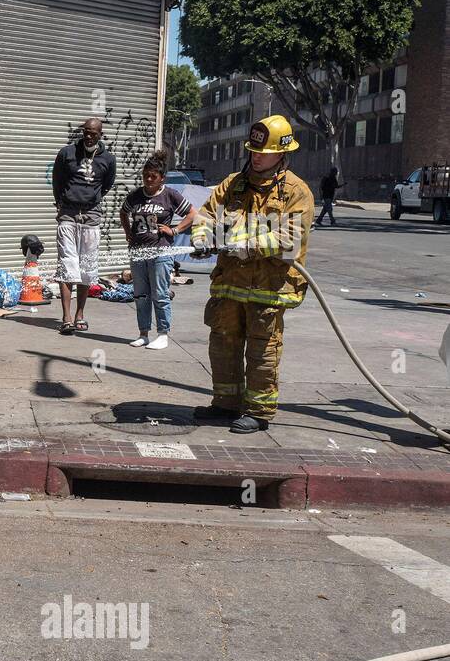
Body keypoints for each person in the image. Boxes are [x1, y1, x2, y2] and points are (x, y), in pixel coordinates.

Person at [190, 115, 313, 434]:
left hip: (268, 289)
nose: (255, 156)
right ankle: (225, 404)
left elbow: (290, 238)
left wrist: (246, 245)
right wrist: (202, 237)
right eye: (253, 150)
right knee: (222, 344)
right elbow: (205, 214)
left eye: (263, 152)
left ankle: (259, 412)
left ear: (282, 153)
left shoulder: (296, 192)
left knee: (263, 349)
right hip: (229, 285)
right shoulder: (233, 184)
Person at [120, 149, 193, 350]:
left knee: (159, 293)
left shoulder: (170, 195)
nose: (149, 179)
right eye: (146, 175)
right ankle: (143, 333)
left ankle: (162, 334)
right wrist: (128, 233)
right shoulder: (135, 196)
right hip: (138, 252)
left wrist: (174, 230)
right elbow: (123, 212)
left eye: (153, 176)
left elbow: (191, 214)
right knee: (141, 294)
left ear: (162, 178)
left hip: (160, 251)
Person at [51, 118, 116, 336]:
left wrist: (91, 198)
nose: (89, 136)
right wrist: (62, 202)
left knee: (87, 267)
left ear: (100, 134)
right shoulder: (67, 153)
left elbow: (106, 185)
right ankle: (66, 317)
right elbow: (57, 180)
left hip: (91, 215)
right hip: (68, 214)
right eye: (86, 132)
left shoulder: (108, 159)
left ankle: (80, 314)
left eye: (93, 133)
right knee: (67, 264)